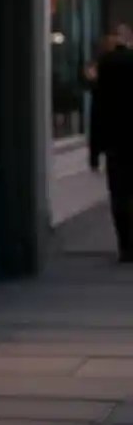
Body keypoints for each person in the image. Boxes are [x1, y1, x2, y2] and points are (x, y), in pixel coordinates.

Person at [90, 23, 133, 263]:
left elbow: (98, 111)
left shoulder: (105, 66)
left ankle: (125, 245)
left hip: (115, 141)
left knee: (119, 194)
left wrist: (94, 152)